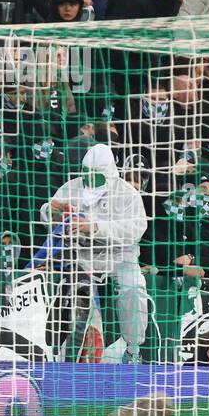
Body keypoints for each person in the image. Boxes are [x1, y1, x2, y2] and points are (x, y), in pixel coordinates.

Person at [40, 143, 149, 363]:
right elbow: (48, 218)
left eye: (96, 176)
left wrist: (95, 226)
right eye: (87, 175)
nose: (90, 180)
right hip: (81, 256)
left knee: (134, 288)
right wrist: (49, 211)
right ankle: (69, 353)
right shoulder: (72, 187)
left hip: (118, 256)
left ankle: (133, 349)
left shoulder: (127, 193)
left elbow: (136, 230)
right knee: (73, 289)